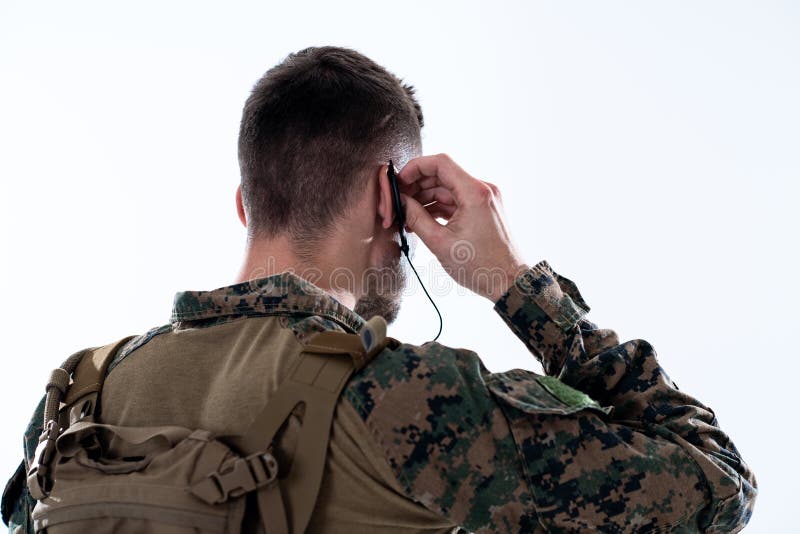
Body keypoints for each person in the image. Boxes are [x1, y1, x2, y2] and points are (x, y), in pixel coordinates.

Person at [3, 46, 756, 533]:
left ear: (244, 205)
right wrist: (515, 283)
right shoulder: (409, 400)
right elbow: (717, 482)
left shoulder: (76, 397)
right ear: (385, 203)